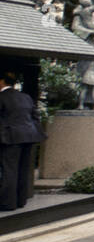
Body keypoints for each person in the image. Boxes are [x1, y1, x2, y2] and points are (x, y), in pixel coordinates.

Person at [0, 71, 46, 212]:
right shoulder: (25, 97)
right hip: (29, 136)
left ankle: (7, 203)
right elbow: (35, 117)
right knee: (23, 169)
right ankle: (20, 200)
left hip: (11, 137)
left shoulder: (1, 97)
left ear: (1, 82)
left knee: (9, 169)